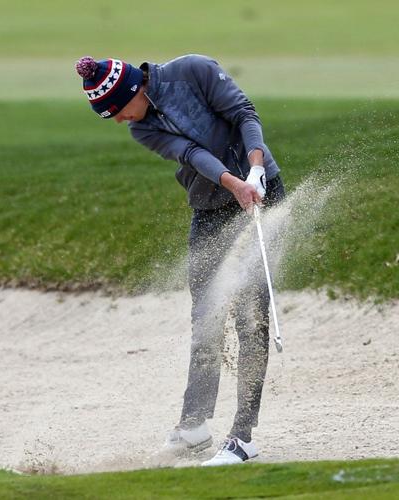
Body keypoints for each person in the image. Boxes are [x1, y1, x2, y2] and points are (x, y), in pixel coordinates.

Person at [75, 54, 284, 466]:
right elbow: (190, 152)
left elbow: (244, 114)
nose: (118, 121)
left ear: (131, 90)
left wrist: (255, 170)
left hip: (263, 191)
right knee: (205, 316)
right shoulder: (142, 128)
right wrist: (232, 183)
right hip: (210, 208)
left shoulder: (195, 71)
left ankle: (243, 437)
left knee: (251, 315)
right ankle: (194, 426)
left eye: (115, 111)